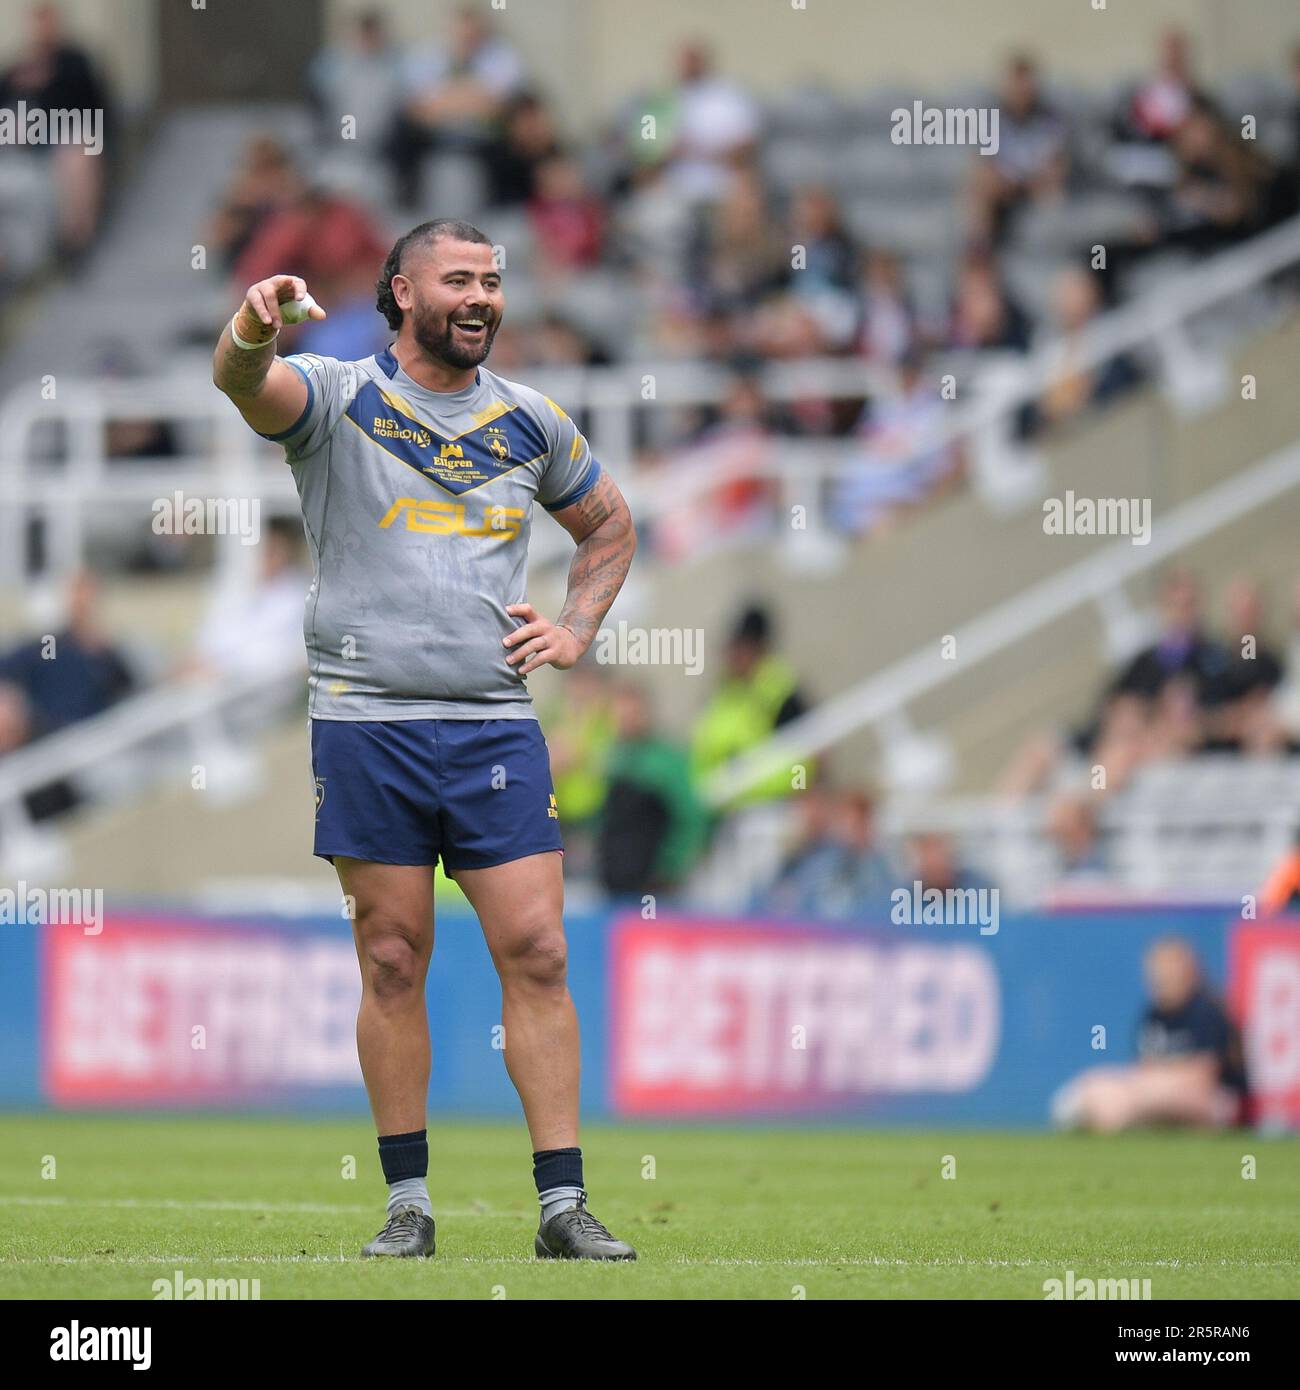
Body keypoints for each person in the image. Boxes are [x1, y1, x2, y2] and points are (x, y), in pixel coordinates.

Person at [211, 218, 637, 1261]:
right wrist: (250, 328)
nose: (482, 295)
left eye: (493, 279)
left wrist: (576, 626)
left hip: (492, 726)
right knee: (392, 957)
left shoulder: (531, 421)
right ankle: (409, 1205)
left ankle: (561, 1209)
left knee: (537, 950)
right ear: (402, 294)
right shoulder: (337, 397)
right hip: (367, 722)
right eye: (459, 279)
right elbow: (240, 385)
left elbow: (610, 526)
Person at [1051, 937, 1248, 1131]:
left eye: (1168, 971)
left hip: (1215, 1101)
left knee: (1146, 1097)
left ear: (1188, 972)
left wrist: (1151, 1085)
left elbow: (1201, 1078)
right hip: (1159, 1094)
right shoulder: (1153, 1014)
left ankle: (1115, 1118)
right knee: (1100, 1082)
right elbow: (1142, 1067)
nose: (1161, 978)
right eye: (1156, 972)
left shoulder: (1206, 1011)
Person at [594, 683, 710, 896]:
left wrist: (670, 868)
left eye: (632, 714)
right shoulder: (611, 757)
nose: (625, 721)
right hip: (613, 880)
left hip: (653, 884)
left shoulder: (666, 761)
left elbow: (690, 817)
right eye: (620, 715)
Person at [691, 604, 810, 805]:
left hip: (774, 804)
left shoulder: (782, 693)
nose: (735, 656)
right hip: (725, 807)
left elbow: (806, 759)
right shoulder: (723, 694)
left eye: (743, 647)